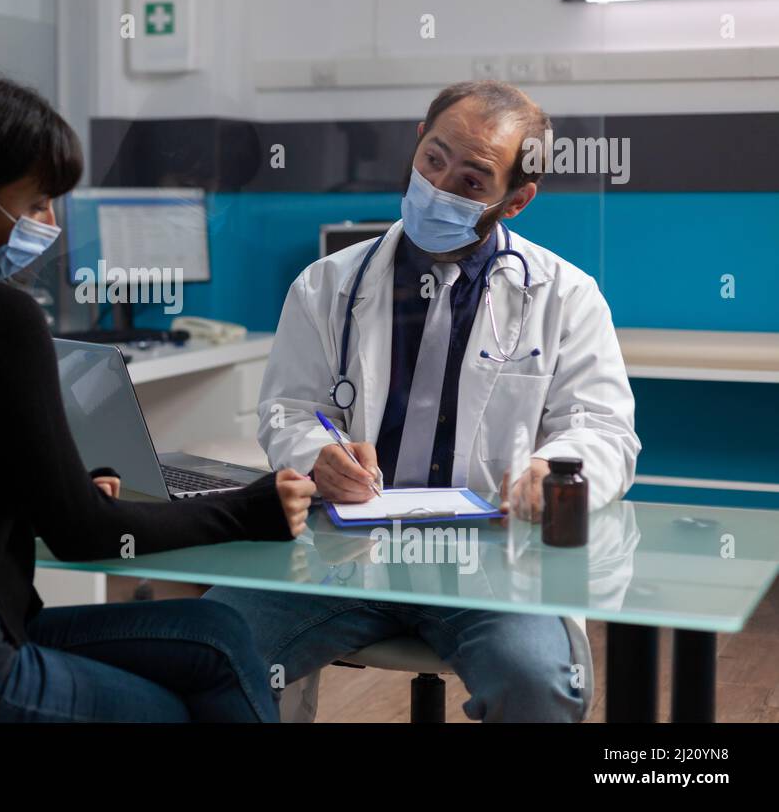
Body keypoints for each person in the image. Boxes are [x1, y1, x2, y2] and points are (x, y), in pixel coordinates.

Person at [0, 68, 314, 722]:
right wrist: (250, 508)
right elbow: (81, 534)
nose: (50, 223)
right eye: (39, 202)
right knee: (174, 711)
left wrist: (59, 485)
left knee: (217, 637)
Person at [207, 80, 641, 722]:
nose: (439, 187)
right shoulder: (325, 286)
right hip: (341, 555)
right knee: (208, 649)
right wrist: (319, 455)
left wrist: (556, 470)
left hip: (494, 565)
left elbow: (603, 429)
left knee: (539, 684)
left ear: (515, 200)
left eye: (472, 181)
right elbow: (288, 412)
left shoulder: (566, 298)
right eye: (433, 159)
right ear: (417, 140)